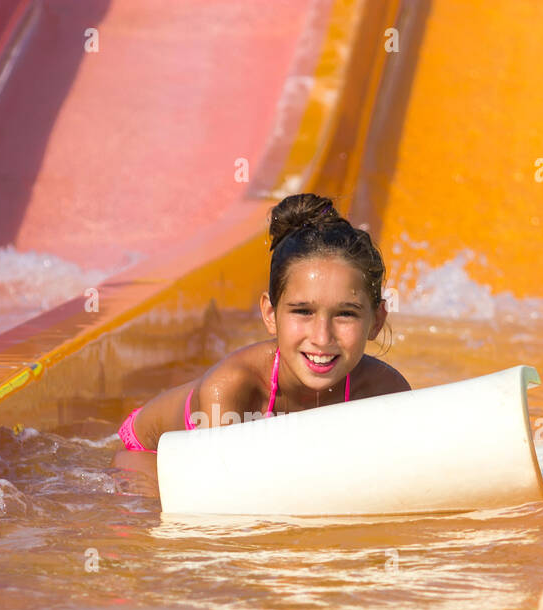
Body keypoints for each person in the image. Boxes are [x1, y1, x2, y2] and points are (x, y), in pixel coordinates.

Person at [112, 193, 411, 489]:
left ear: (377, 320)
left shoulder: (384, 389)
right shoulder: (232, 388)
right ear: (270, 313)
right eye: (303, 311)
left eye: (345, 314)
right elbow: (225, 498)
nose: (322, 338)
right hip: (150, 457)